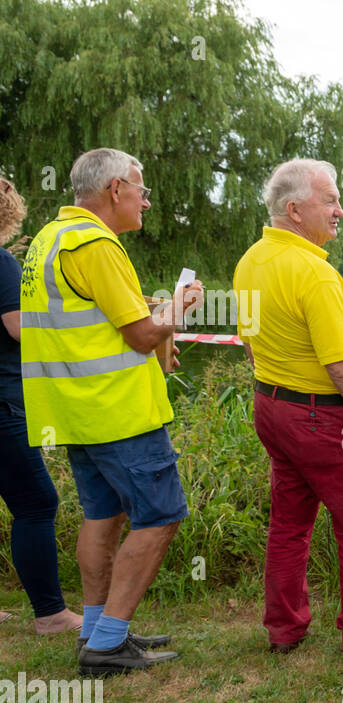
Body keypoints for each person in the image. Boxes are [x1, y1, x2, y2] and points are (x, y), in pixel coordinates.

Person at [20, 148, 200, 675]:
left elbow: (88, 317)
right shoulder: (97, 243)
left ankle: (99, 631)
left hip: (73, 410)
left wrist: (150, 312)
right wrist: (178, 308)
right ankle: (107, 642)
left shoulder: (49, 240)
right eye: (141, 189)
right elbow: (143, 335)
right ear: (116, 189)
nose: (146, 200)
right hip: (119, 412)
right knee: (161, 516)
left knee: (103, 516)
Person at [233, 158, 343, 655]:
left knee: (289, 524)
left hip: (274, 408)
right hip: (327, 418)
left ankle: (285, 629)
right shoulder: (313, 274)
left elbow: (252, 345)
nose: (341, 210)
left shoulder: (251, 260)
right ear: (295, 210)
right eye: (331, 200)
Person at [0, 176, 82, 635]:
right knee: (37, 503)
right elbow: (17, 329)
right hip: (4, 405)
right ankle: (51, 614)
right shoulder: (3, 265)